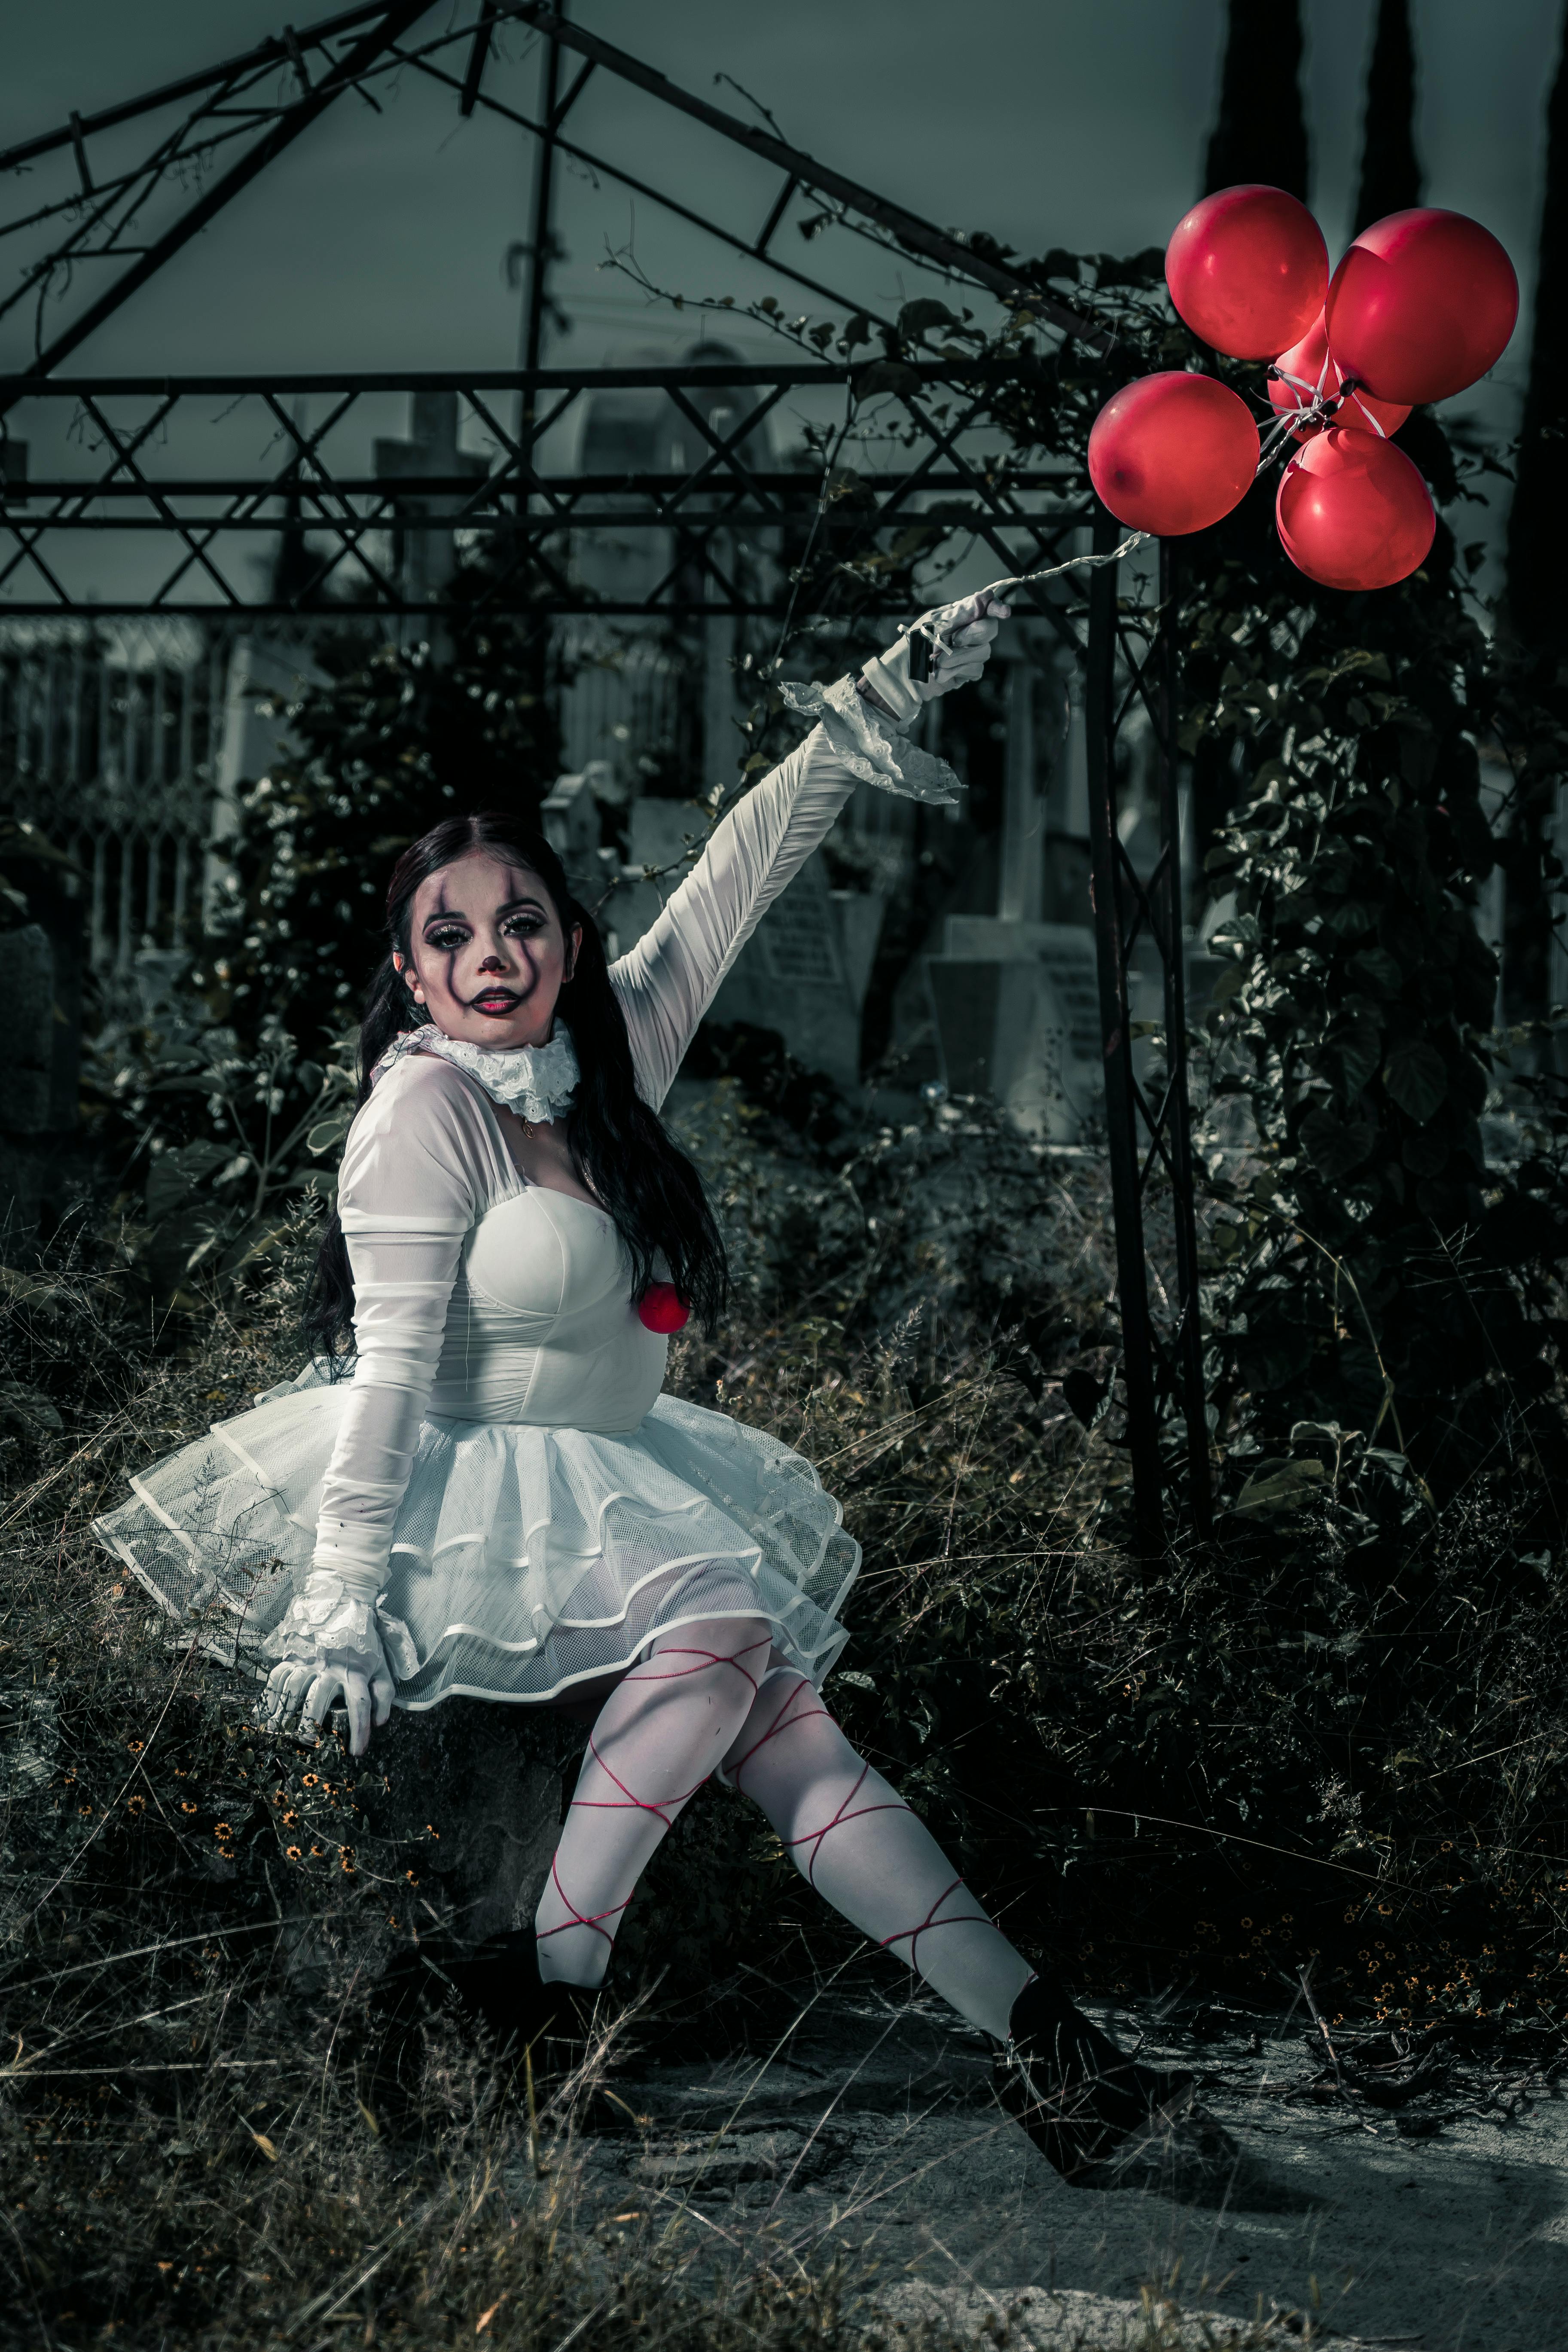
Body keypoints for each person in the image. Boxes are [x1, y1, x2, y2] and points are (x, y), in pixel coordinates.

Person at [96, 598, 1204, 2186]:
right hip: (469, 1484)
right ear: (409, 976)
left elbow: (735, 880)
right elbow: (393, 1364)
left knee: (807, 1748)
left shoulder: (605, 1056)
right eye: (452, 935)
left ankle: (1049, 2048)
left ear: (563, 930)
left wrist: (864, 706)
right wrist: (339, 1594)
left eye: (524, 920)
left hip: (615, 1471)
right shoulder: (418, 1113)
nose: (495, 957)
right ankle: (552, 1982)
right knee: (730, 1625)